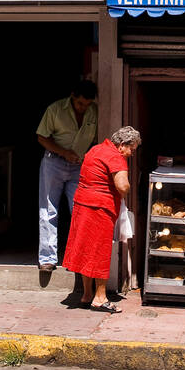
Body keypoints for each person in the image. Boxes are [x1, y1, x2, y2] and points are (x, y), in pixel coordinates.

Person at [63, 126, 141, 312]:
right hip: (100, 208)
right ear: (122, 145)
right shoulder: (116, 157)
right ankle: (100, 297)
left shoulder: (95, 149)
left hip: (82, 204)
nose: (131, 153)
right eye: (132, 149)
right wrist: (131, 188)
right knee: (100, 251)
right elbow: (122, 186)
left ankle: (86, 294)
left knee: (86, 248)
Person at [35, 80, 99, 273]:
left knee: (80, 210)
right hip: (53, 162)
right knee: (49, 209)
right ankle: (47, 258)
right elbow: (41, 137)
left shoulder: (94, 111)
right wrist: (63, 152)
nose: (83, 108)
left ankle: (78, 257)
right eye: (80, 103)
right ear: (72, 96)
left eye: (87, 104)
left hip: (79, 165)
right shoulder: (55, 109)